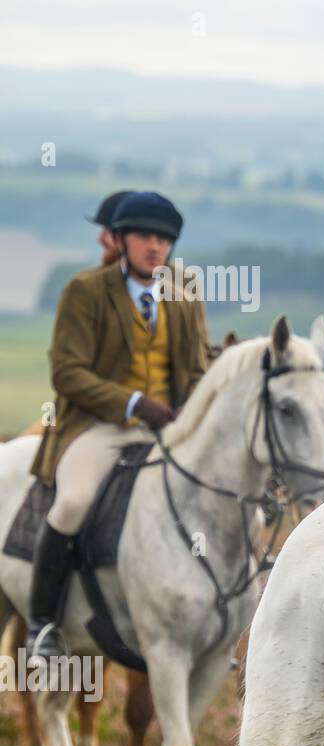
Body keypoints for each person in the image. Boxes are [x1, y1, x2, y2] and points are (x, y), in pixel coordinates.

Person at [25, 192, 210, 663]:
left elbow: (190, 372)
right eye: (146, 237)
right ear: (122, 241)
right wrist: (132, 402)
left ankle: (212, 618)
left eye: (164, 239)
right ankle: (42, 623)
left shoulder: (183, 295)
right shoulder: (85, 291)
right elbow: (68, 372)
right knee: (73, 502)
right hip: (97, 427)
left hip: (165, 430)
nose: (156, 247)